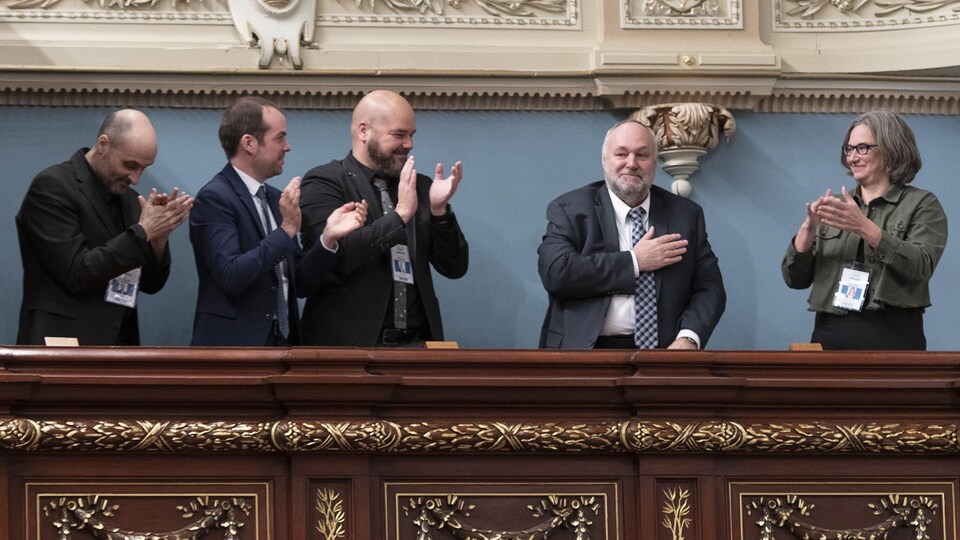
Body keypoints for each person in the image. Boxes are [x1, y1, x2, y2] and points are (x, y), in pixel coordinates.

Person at [189, 98, 368, 346]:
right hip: (234, 348)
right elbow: (231, 275)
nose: (287, 147)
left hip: (284, 343)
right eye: (279, 138)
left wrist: (328, 238)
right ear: (249, 143)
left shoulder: (275, 199)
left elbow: (301, 283)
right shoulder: (215, 198)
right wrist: (286, 231)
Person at [299, 90, 469, 346]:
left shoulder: (418, 185)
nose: (409, 144)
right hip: (350, 349)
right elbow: (337, 262)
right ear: (364, 131)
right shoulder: (325, 182)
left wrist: (438, 212)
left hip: (418, 346)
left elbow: (455, 268)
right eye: (399, 135)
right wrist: (400, 216)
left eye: (411, 135)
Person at [538, 119, 726, 349]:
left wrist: (688, 337)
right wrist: (635, 261)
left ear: (654, 163)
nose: (631, 163)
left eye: (642, 155)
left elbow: (709, 288)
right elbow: (557, 274)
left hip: (665, 355)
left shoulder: (685, 215)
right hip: (583, 354)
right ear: (604, 161)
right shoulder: (570, 210)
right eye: (621, 154)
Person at [16, 109, 192, 346]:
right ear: (103, 144)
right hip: (60, 343)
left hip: (118, 346)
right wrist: (142, 232)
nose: (136, 178)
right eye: (130, 165)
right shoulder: (52, 187)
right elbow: (77, 272)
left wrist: (159, 238)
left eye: (143, 168)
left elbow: (151, 284)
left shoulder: (130, 200)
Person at [782, 111, 947, 350]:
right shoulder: (835, 206)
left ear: (891, 149)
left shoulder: (923, 204)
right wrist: (806, 233)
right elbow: (794, 280)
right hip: (828, 342)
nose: (852, 158)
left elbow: (920, 267)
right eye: (848, 149)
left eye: (862, 148)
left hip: (894, 343)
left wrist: (864, 227)